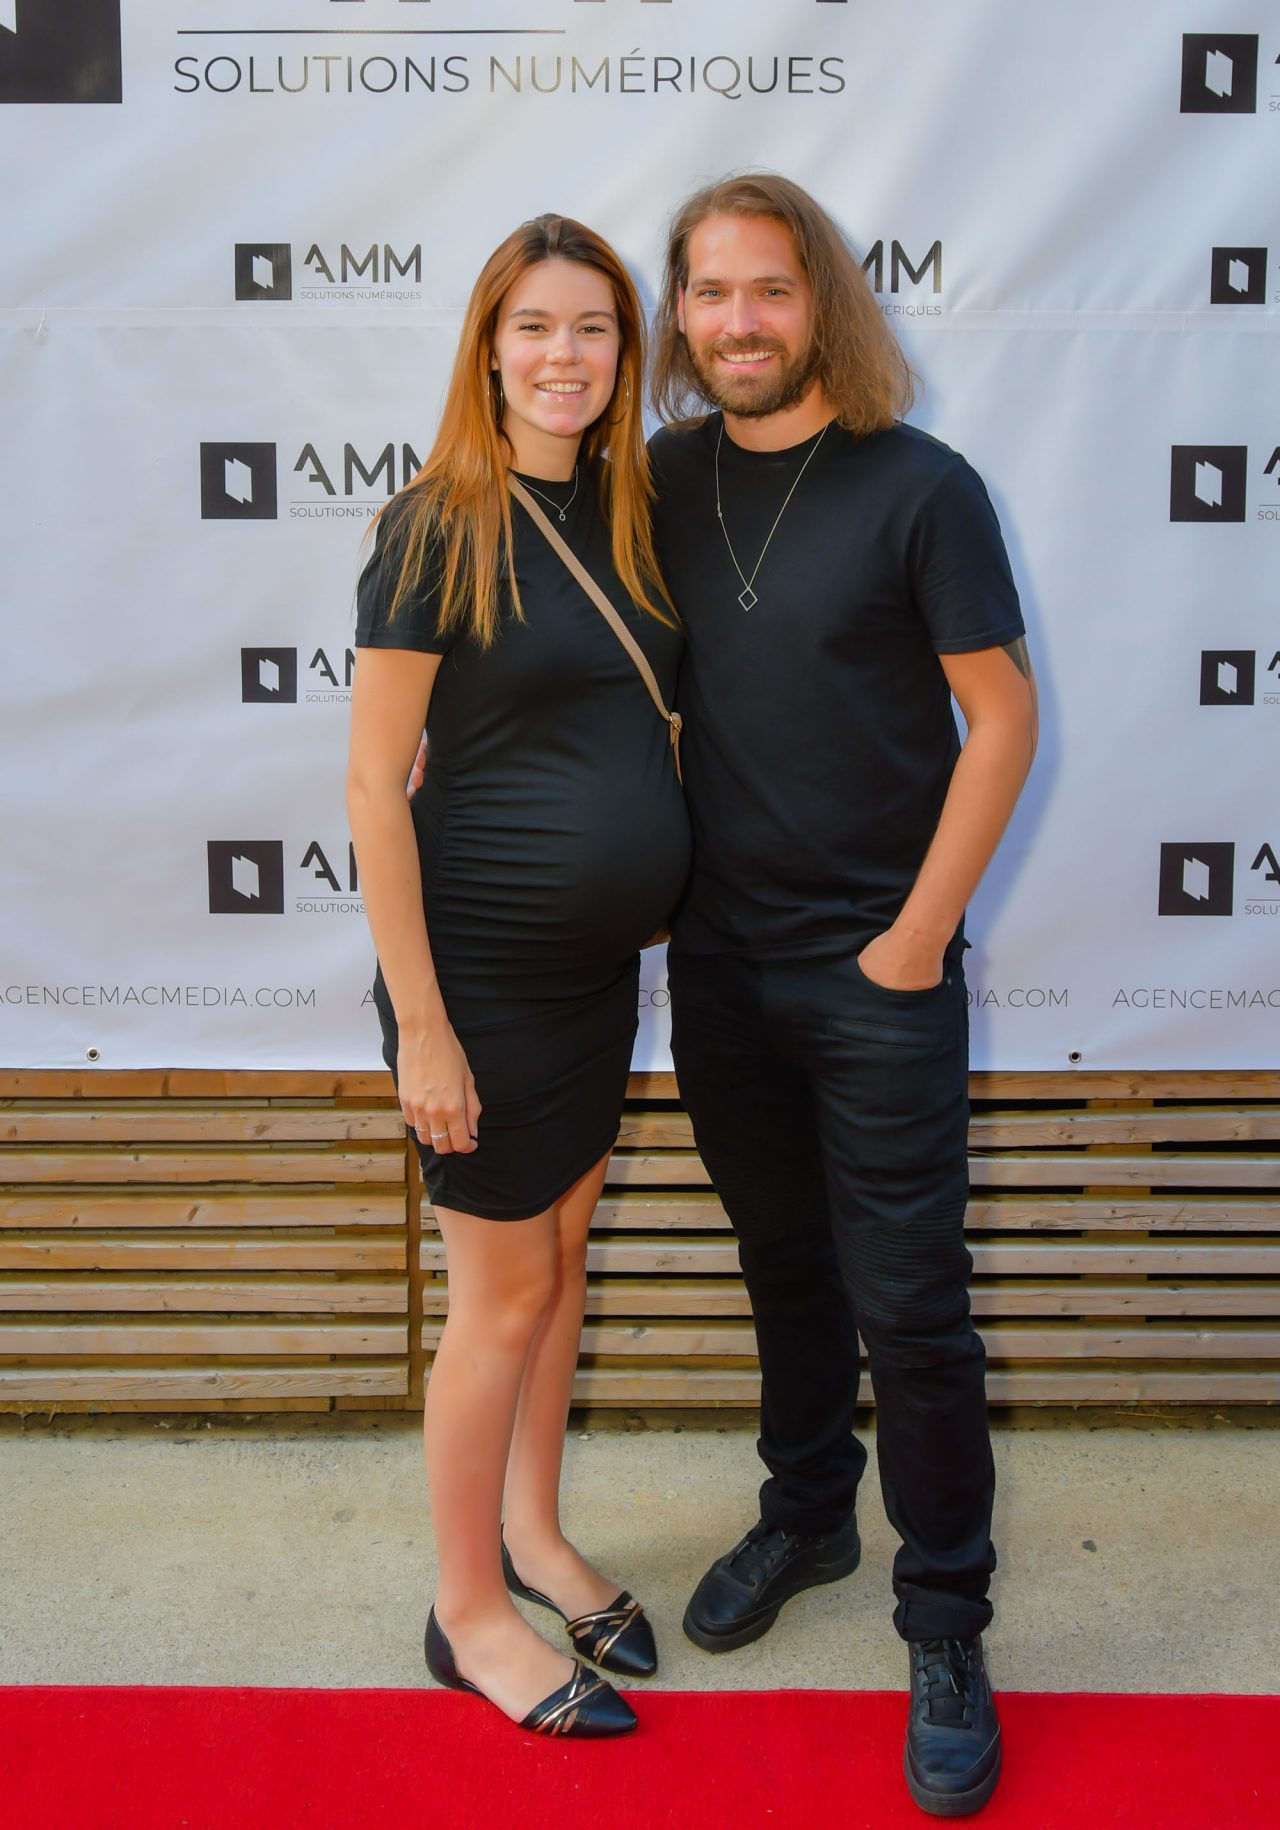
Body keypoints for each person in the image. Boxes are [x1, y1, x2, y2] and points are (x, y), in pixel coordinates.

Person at [647, 174, 1037, 1816]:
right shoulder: (651, 480)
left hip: (877, 971)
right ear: (682, 315)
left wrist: (913, 936)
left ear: (826, 309)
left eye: (771, 292)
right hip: (719, 965)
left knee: (914, 1305)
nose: (740, 321)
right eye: (713, 293)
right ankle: (809, 1507)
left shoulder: (921, 486)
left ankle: (945, 1619)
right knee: (784, 1263)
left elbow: (1000, 719)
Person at [345, 213, 689, 1739]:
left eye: (596, 329)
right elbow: (369, 787)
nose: (567, 356)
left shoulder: (629, 514)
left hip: (593, 974)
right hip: (473, 983)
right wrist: (423, 1024)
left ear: (627, 353)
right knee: (496, 1300)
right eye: (536, 327)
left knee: (560, 1266)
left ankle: (539, 1535)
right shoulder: (435, 524)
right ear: (488, 346)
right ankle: (469, 1608)